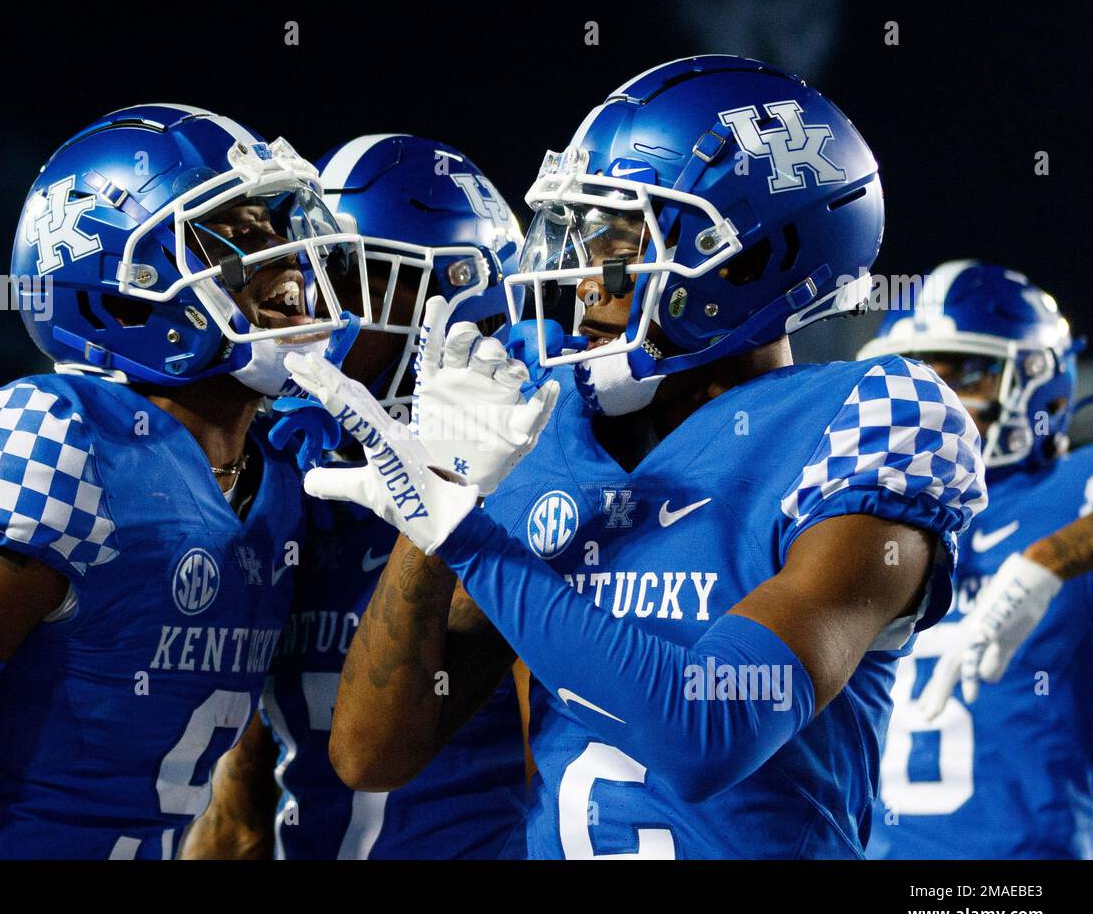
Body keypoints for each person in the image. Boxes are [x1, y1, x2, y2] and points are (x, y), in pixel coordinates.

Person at [283, 55, 988, 858]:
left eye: (619, 237)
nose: (584, 279)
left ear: (750, 255)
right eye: (577, 233)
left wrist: (471, 541)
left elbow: (708, 731)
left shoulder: (865, 419)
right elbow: (373, 755)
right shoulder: (551, 428)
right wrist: (433, 510)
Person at [0, 104, 365, 858]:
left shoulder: (282, 479)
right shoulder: (56, 440)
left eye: (275, 228)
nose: (288, 258)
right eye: (236, 233)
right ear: (123, 280)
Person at [180, 135, 529, 859]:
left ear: (455, 303)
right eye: (303, 266)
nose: (310, 301)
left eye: (344, 271)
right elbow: (242, 803)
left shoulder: (529, 494)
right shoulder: (284, 479)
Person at [862, 261, 1093, 858]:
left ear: (1045, 385)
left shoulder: (1071, 491)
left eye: (967, 373)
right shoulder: (861, 518)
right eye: (917, 378)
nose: (937, 405)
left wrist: (1052, 558)